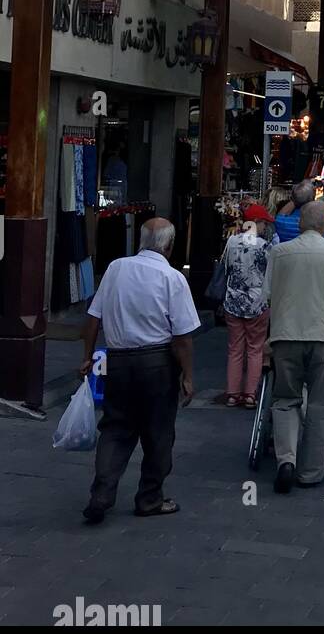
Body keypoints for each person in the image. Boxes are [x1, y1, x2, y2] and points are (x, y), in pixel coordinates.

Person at [79, 218, 200, 525]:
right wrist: (188, 375)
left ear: (141, 241)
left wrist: (87, 357)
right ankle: (149, 498)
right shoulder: (173, 278)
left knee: (115, 428)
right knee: (159, 432)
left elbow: (93, 317)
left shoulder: (116, 268)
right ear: (169, 246)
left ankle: (101, 494)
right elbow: (182, 337)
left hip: (118, 360)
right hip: (157, 362)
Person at [264, 200, 324, 493]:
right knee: (320, 403)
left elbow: (267, 296)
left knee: (285, 398)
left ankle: (286, 460)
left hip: (286, 334)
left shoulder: (279, 253)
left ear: (300, 223)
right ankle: (311, 472)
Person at [221, 203, 274, 408]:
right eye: (264, 223)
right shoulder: (264, 246)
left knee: (235, 349)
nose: (265, 227)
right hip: (256, 302)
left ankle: (232, 394)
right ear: (257, 222)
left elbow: (226, 268)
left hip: (233, 300)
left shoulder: (232, 241)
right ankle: (250, 394)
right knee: (255, 349)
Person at [274, 177, 324, 245]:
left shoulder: (281, 222)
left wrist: (299, 193)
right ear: (312, 199)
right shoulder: (321, 224)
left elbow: (281, 214)